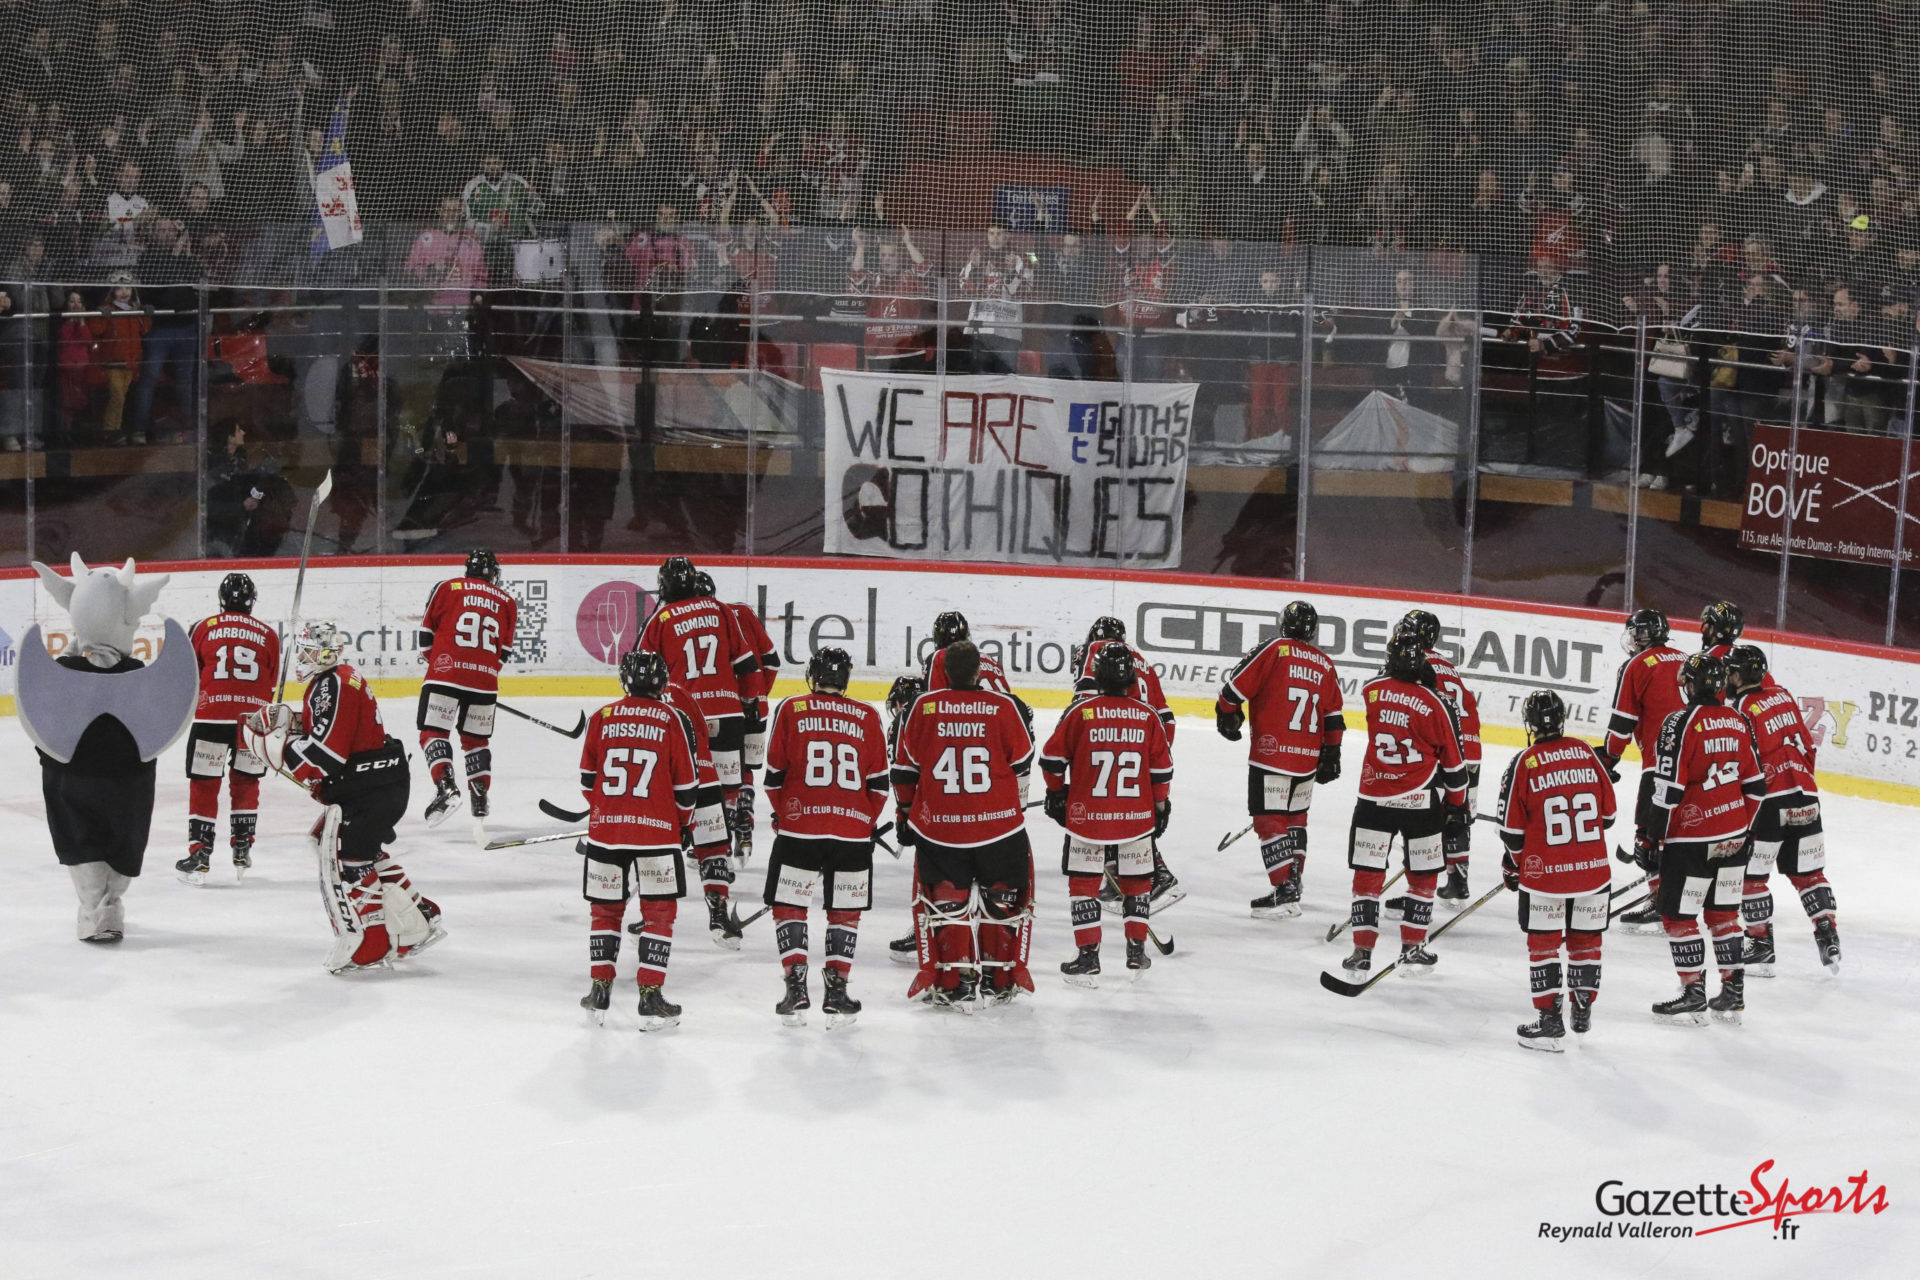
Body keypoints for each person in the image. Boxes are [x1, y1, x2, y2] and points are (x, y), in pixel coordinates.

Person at [248, 622, 442, 974]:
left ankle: (371, 942)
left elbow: (327, 755)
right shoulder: (334, 680)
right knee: (353, 849)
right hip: (378, 784)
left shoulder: (331, 684)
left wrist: (281, 750)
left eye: (309, 651)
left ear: (324, 654)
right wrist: (292, 724)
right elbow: (335, 732)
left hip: (370, 789)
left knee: (346, 856)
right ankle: (418, 916)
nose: (303, 658)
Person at [22, 555, 197, 944]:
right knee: (123, 837)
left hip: (72, 772)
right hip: (128, 776)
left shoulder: (64, 673)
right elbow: (162, 718)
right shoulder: (138, 675)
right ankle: (110, 905)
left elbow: (41, 719)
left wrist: (70, 656)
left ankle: (93, 908)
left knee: (80, 836)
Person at [892, 640, 1036, 1007]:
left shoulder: (923, 707)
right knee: (1001, 901)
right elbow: (1021, 761)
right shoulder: (1003, 706)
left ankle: (955, 981)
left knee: (947, 905)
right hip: (999, 828)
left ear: (943, 673)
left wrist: (905, 814)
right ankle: (1000, 977)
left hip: (940, 829)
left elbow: (905, 768)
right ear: (978, 672)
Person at [760, 647, 889, 1026]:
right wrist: (861, 821)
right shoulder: (867, 715)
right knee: (845, 912)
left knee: (789, 903)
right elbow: (879, 787)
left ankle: (796, 985)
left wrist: (787, 814)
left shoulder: (792, 707)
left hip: (800, 829)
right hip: (851, 834)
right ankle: (837, 989)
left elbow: (772, 778)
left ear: (812, 677)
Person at [575, 650, 699, 1030]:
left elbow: (587, 781)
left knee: (605, 911)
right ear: (662, 682)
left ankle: (599, 988)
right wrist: (680, 824)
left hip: (606, 833)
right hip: (658, 834)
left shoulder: (602, 717)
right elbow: (687, 788)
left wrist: (609, 814)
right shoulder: (671, 719)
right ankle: (650, 995)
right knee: (658, 914)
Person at [1640, 653, 1766, 1026]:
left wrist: (1652, 839)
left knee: (1678, 916)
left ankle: (1693, 992)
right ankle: (1733, 992)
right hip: (1733, 838)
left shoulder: (1679, 721)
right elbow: (1756, 787)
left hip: (1690, 841)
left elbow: (1668, 790)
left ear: (1692, 685)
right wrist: (1742, 828)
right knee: (1724, 916)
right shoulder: (1740, 719)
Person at [1041, 643, 1174, 985]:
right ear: (1131, 678)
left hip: (1088, 821)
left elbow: (1052, 761)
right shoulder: (1147, 716)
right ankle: (1136, 950)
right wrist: (1160, 808)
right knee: (1137, 882)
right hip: (1135, 818)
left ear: (1097, 675)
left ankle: (1088, 957)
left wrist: (1057, 794)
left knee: (1084, 884)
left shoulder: (1081, 712)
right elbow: (1161, 773)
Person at [1340, 632, 1468, 982]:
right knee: (1423, 877)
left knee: (1368, 874)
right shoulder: (1436, 702)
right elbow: (1454, 766)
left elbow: (1381, 684)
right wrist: (1457, 807)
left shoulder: (1372, 691)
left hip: (1374, 798)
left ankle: (1361, 951)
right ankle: (1412, 948)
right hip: (1421, 799)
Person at [1495, 690, 1617, 1051]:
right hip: (1594, 874)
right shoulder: (1586, 753)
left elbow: (1512, 833)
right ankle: (1583, 1006)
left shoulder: (1525, 761)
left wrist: (1513, 865)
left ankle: (1550, 1020)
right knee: (1586, 943)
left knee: (1544, 946)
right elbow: (1608, 816)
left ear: (1529, 724)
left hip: (1545, 877)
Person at [1216, 600, 1345, 917]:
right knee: (1296, 820)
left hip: (1271, 756)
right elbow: (1334, 716)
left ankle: (1284, 889)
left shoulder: (1275, 649)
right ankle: (1293, 882)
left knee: (1268, 821)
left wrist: (1227, 714)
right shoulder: (1325, 664)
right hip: (1307, 759)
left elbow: (1233, 689)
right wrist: (1332, 753)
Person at [1726, 646, 1840, 974]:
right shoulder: (1783, 695)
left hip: (1770, 800)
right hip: (1805, 794)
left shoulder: (1742, 708)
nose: (1728, 677)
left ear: (1740, 675)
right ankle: (1827, 933)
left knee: (1751, 876)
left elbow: (1745, 763)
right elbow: (1808, 744)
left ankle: (1761, 945)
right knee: (1809, 875)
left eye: (1732, 671)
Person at [635, 556, 762, 835]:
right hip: (728, 712)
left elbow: (642, 676)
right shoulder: (719, 608)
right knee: (729, 786)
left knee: (691, 779)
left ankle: (696, 835)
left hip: (687, 715)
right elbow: (748, 665)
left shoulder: (660, 619)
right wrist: (751, 702)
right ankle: (724, 838)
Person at [177, 573, 280, 884]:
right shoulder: (268, 634)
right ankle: (242, 847)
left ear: (221, 599)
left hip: (211, 717)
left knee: (204, 784)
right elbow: (271, 681)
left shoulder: (202, 628)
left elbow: (190, 674)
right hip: (253, 720)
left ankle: (200, 852)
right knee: (246, 782)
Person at [1074, 615, 1182, 908]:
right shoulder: (1142, 661)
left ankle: (1157, 876)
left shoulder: (1099, 649)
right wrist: (1152, 754)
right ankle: (1126, 874)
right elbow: (1167, 717)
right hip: (1144, 741)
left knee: (1109, 807)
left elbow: (1083, 699)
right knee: (1126, 814)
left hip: (1117, 740)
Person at [1600, 608, 1688, 934]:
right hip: (1702, 764)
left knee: (1648, 840)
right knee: (1686, 834)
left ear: (1639, 637)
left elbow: (1623, 722)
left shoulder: (1635, 665)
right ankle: (1686, 896)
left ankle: (1661, 901)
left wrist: (1609, 759)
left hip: (1661, 766)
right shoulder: (1689, 658)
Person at [416, 549, 519, 826]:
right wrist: (479, 673)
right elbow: (503, 654)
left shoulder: (447, 587)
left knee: (433, 732)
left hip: (445, 674)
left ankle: (446, 786)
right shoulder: (508, 602)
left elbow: (426, 635)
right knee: (476, 741)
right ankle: (480, 795)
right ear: (493, 573)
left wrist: (438, 664)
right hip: (485, 681)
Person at [696, 570, 779, 862]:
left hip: (714, 712)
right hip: (753, 708)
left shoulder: (686, 623)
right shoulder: (740, 612)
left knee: (712, 772)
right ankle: (743, 820)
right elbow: (771, 661)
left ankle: (717, 836)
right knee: (742, 769)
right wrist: (756, 698)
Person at [1399, 609, 1480, 900]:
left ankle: (1421, 889)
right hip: (1472, 749)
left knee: (1425, 817)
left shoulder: (1415, 663)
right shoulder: (1448, 665)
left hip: (1447, 748)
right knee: (1458, 816)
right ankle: (1458, 880)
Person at [922, 610, 1012, 693]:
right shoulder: (992, 661)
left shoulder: (938, 657)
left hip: (968, 708)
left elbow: (934, 699)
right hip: (1000, 708)